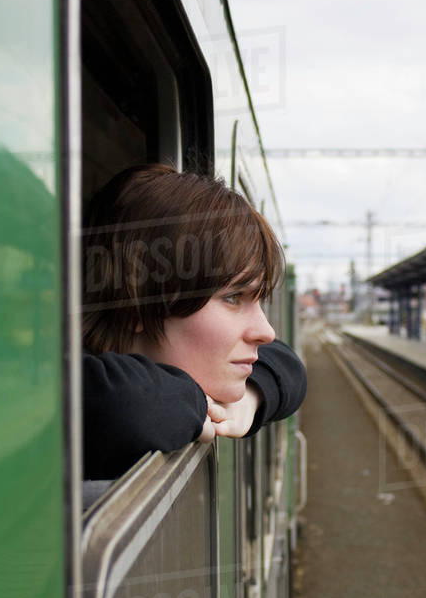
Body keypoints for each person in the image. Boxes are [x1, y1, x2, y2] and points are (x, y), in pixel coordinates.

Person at [81, 163, 307, 480]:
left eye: (259, 301)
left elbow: (289, 367)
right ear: (138, 303)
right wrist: (198, 401)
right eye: (233, 298)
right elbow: (121, 405)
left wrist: (250, 395)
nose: (266, 332)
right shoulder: (62, 392)